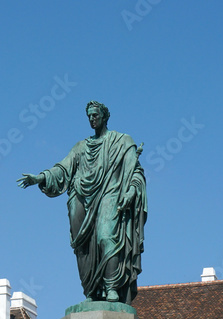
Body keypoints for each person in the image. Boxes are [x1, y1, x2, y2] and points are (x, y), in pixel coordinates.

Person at [18, 101, 147, 304]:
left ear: (104, 116)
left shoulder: (122, 141)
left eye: (95, 115)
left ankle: (112, 286)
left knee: (106, 237)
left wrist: (131, 190)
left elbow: (135, 171)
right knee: (84, 248)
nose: (92, 119)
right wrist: (40, 178)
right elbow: (63, 169)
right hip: (81, 198)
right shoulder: (80, 147)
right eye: (89, 116)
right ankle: (92, 290)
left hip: (110, 194)